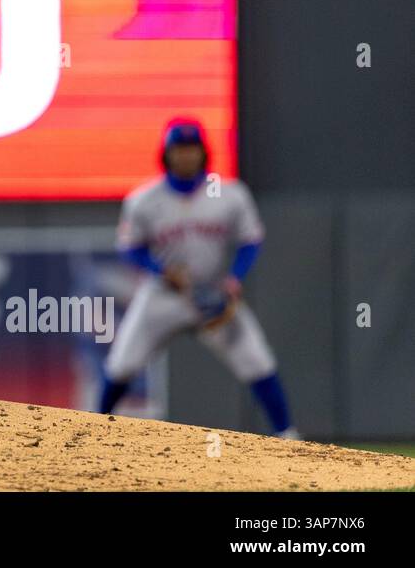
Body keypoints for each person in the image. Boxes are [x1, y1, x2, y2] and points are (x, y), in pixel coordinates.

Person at [99, 117, 300, 439]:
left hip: (214, 293)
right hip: (163, 295)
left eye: (192, 149)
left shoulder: (230, 194)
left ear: (203, 153)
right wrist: (160, 270)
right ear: (166, 154)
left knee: (258, 361)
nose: (186, 156)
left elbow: (251, 240)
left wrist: (234, 278)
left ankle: (288, 434)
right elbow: (129, 247)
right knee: (122, 364)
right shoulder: (144, 200)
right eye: (179, 149)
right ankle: (89, 433)